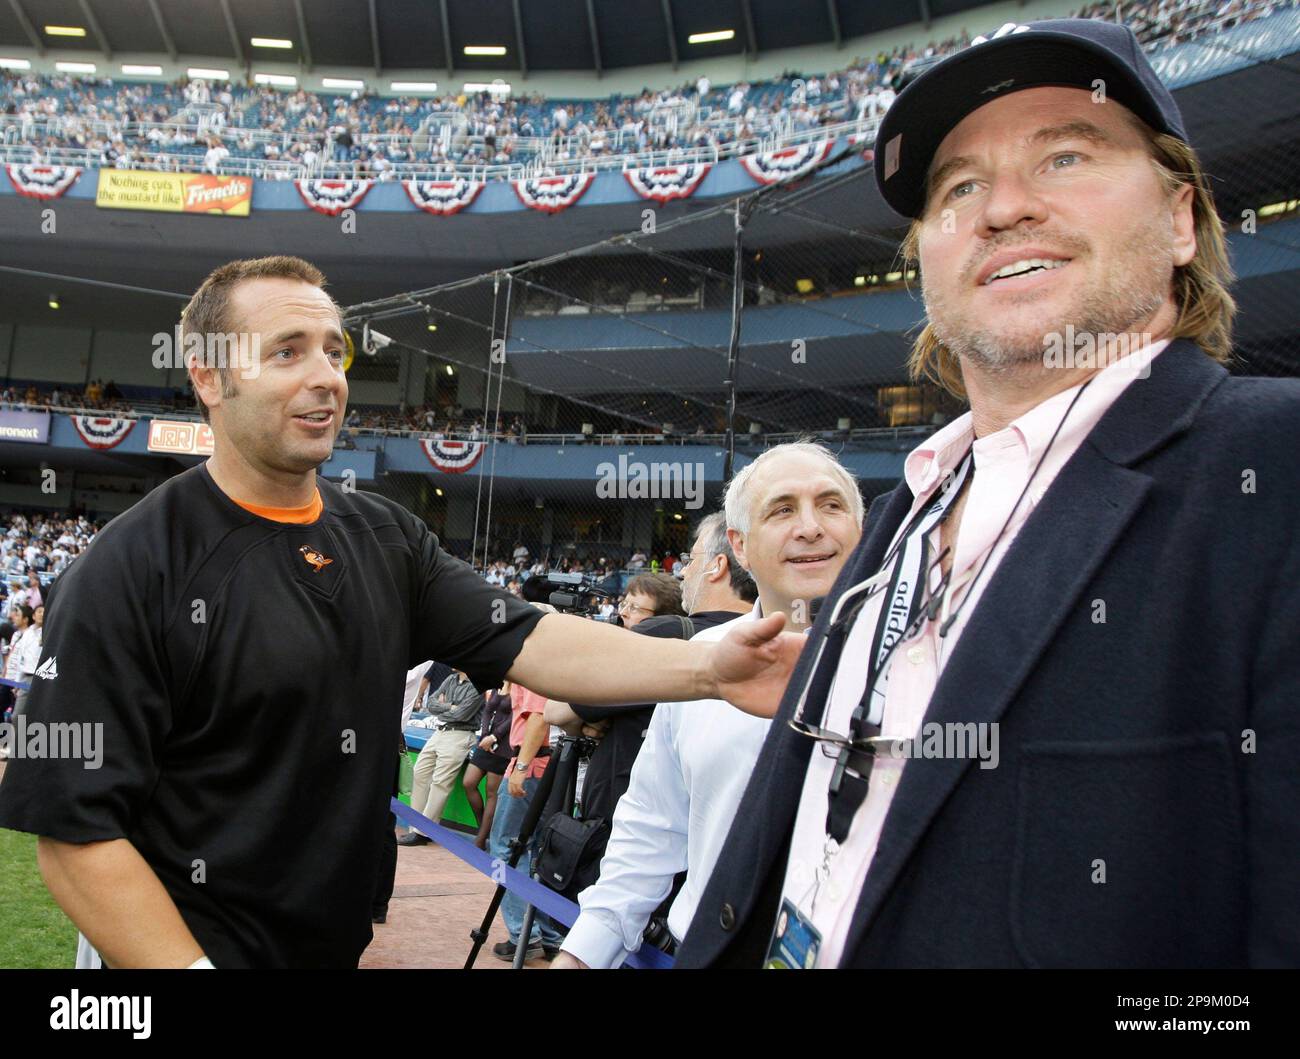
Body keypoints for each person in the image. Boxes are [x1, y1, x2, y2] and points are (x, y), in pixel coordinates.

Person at [678, 19, 1300, 969]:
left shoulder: (1274, 469)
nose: (1004, 207)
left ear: (1180, 217)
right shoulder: (903, 510)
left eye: (1064, 156)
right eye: (959, 186)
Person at [0, 256, 804, 969]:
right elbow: (75, 837)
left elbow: (531, 637)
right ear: (208, 377)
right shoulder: (127, 568)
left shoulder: (383, 536)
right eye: (287, 351)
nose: (327, 375)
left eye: (334, 351)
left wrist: (707, 667)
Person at [555, 446, 862, 968]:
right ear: (739, 546)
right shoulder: (698, 660)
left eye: (831, 505)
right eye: (782, 509)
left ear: (860, 528)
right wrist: (581, 956)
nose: (811, 527)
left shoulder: (926, 656)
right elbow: (651, 826)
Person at [399, 669, 485, 846]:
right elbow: (431, 704)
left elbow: (461, 715)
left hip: (460, 735)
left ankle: (422, 832)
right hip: (440, 732)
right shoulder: (451, 678)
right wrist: (450, 707)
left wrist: (445, 707)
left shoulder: (477, 684)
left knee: (440, 783)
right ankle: (416, 825)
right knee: (419, 774)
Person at [461, 681, 513, 849]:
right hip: (485, 742)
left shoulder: (522, 689)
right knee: (468, 783)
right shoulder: (497, 684)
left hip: (505, 746)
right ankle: (483, 828)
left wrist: (494, 737)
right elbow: (487, 711)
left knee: (492, 793)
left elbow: (515, 718)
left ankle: (480, 840)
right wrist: (485, 735)